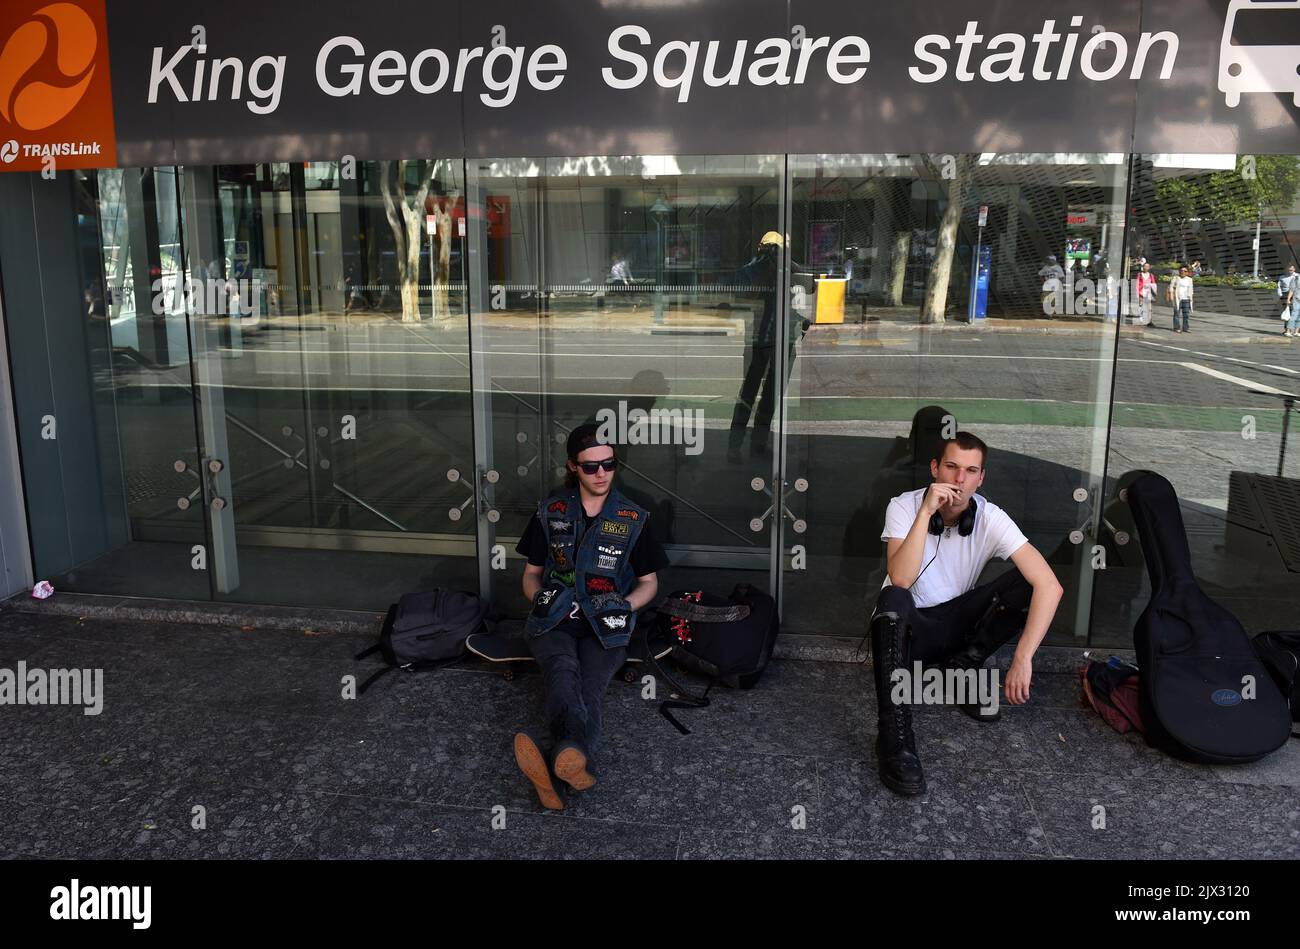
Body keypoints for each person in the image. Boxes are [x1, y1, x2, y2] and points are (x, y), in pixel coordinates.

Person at [868, 432, 1064, 796]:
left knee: (1025, 582)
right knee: (893, 599)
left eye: (970, 471)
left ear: (981, 478)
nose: (960, 480)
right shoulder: (903, 505)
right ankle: (894, 737)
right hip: (907, 634)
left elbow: (1050, 586)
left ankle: (961, 669)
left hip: (955, 626)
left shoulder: (991, 517)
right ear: (935, 468)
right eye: (952, 467)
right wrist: (926, 512)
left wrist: (1023, 657)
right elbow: (901, 577)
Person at [512, 423, 669, 810]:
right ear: (572, 467)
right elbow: (530, 575)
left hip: (608, 622)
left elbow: (649, 584)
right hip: (554, 620)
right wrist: (542, 599)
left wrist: (624, 606)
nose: (601, 473)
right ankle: (570, 761)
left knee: (592, 685)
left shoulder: (634, 517)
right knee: (563, 673)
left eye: (609, 464)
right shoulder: (552, 512)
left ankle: (556, 770)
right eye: (590, 466)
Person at [727, 231, 805, 462]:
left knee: (771, 397)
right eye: (771, 248)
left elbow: (804, 288)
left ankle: (757, 444)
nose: (773, 253)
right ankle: (735, 445)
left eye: (776, 249)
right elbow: (743, 291)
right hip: (759, 341)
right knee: (747, 396)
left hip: (781, 341)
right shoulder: (754, 269)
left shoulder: (790, 269)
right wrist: (767, 265)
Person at [1279, 262, 1300, 338]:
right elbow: (1290, 289)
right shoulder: (1293, 278)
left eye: (1292, 269)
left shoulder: (1297, 276)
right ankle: (1287, 330)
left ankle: (1296, 331)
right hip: (1292, 297)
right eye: (1289, 269)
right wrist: (1286, 298)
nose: (1290, 270)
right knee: (1291, 314)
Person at [1171, 265, 1194, 333]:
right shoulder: (1176, 278)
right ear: (1179, 271)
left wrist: (1191, 297)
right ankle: (1176, 327)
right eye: (1181, 271)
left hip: (1186, 299)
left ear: (1187, 272)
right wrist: (1172, 296)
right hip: (1178, 299)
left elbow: (1191, 289)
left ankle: (1185, 328)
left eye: (1185, 271)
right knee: (1177, 314)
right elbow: (1171, 287)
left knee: (1186, 314)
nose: (1183, 272)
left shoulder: (1189, 280)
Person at [1135, 261, 1156, 326]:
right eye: (1145, 266)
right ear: (1143, 267)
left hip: (1148, 292)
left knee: (1149, 307)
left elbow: (1154, 284)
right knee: (1141, 305)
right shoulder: (1139, 274)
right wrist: (1137, 292)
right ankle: (1141, 319)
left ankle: (1149, 320)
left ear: (1149, 268)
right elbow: (1137, 283)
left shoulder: (1151, 275)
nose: (1146, 267)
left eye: (1147, 266)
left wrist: (1154, 293)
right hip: (1141, 291)